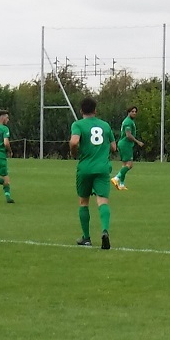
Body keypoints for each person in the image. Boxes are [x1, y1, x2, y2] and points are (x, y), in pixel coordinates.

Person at [69, 96, 117, 248]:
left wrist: (73, 152)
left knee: (84, 202)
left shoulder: (78, 124)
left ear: (81, 111)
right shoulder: (105, 125)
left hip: (85, 168)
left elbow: (74, 141)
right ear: (95, 110)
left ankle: (86, 238)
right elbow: (114, 147)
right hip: (102, 168)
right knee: (102, 201)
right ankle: (105, 230)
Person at [112, 106, 145, 190]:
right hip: (125, 144)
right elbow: (128, 135)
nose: (134, 113)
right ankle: (116, 178)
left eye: (135, 111)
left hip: (123, 144)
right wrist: (138, 142)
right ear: (128, 112)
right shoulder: (128, 122)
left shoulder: (129, 121)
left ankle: (122, 185)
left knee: (124, 165)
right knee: (130, 165)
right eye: (132, 111)